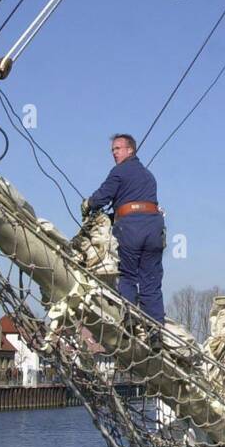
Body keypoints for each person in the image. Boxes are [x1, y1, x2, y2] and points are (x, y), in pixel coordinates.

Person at [83, 133, 165, 323]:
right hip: (154, 230)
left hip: (131, 229)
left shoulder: (119, 171)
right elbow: (139, 204)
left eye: (118, 148)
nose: (114, 153)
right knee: (151, 282)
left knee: (126, 275)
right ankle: (155, 332)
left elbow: (102, 197)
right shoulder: (148, 175)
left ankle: (130, 322)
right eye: (112, 150)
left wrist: (87, 204)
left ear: (130, 150)